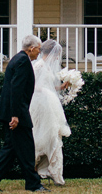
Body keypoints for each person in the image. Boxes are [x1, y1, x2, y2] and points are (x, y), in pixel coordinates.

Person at [0, 35, 50, 193]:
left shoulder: (18, 59)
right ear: (31, 48)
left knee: (10, 150)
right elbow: (16, 89)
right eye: (38, 49)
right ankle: (33, 184)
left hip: (13, 111)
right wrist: (15, 115)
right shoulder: (22, 61)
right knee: (26, 149)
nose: (39, 52)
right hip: (16, 113)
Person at [30, 39, 71, 186]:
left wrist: (61, 87)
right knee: (41, 135)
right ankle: (35, 173)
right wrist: (49, 93)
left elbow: (48, 86)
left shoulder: (47, 67)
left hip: (49, 104)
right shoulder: (39, 66)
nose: (57, 58)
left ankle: (53, 171)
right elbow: (34, 86)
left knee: (53, 135)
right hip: (41, 105)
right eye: (57, 54)